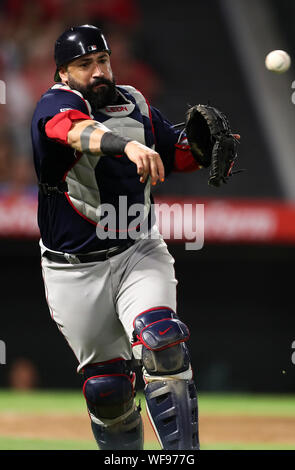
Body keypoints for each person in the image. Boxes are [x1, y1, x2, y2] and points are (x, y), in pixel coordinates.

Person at [31, 24, 203, 451]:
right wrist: (126, 147)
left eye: (102, 60)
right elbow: (72, 131)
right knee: (107, 391)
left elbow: (172, 151)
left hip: (136, 251)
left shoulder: (135, 102)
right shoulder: (54, 103)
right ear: (63, 74)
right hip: (73, 271)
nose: (98, 71)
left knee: (162, 342)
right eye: (84, 64)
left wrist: (199, 147)